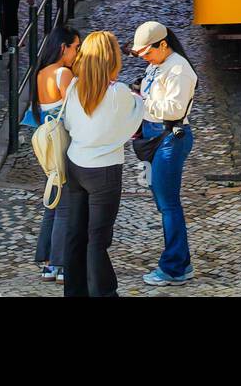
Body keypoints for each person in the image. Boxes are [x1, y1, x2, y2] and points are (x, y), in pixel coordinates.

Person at [59, 30, 143, 298]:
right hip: (104, 169)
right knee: (98, 239)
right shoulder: (119, 93)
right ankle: (104, 293)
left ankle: (74, 292)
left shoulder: (73, 87)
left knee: (75, 233)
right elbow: (135, 121)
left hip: (76, 164)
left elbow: (69, 124)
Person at [131, 20, 199, 287]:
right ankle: (181, 262)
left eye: (147, 52)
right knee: (164, 202)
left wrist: (141, 102)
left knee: (168, 204)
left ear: (163, 44)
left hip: (170, 138)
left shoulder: (179, 69)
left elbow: (174, 109)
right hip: (156, 136)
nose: (144, 58)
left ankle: (174, 268)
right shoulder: (157, 65)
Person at [32, 24, 81, 282]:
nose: (77, 53)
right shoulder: (63, 74)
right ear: (64, 47)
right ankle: (60, 265)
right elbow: (77, 110)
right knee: (64, 206)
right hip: (65, 146)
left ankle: (48, 260)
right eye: (76, 47)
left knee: (52, 203)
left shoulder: (42, 73)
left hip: (48, 146)